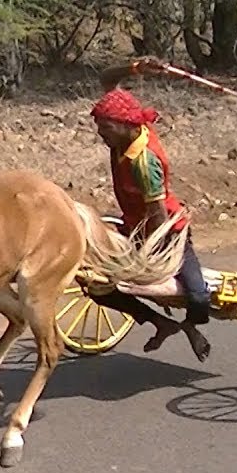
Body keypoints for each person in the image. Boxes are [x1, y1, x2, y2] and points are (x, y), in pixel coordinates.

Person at [87, 56, 212, 362]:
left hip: (167, 233)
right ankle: (159, 322)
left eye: (105, 128)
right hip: (135, 226)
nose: (100, 134)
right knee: (96, 284)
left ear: (123, 125)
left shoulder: (144, 162)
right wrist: (134, 67)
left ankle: (191, 327)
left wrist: (146, 259)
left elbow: (158, 216)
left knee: (197, 296)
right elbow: (106, 78)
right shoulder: (122, 138)